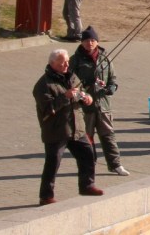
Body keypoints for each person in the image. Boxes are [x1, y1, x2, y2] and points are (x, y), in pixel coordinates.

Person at [34, 48, 102, 205]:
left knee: (87, 154)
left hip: (76, 127)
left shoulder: (72, 76)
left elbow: (80, 92)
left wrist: (87, 97)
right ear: (52, 64)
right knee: (53, 163)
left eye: (67, 62)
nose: (66, 65)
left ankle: (87, 185)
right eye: (62, 63)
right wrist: (66, 96)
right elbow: (48, 108)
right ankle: (46, 196)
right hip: (56, 130)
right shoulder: (43, 84)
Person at [71, 27, 128, 177]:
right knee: (86, 139)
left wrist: (110, 88)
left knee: (108, 136)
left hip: (104, 106)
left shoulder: (105, 58)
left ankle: (115, 165)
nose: (90, 43)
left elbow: (113, 79)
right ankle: (89, 166)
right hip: (85, 107)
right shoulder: (75, 60)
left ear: (97, 42)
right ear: (82, 42)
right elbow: (70, 82)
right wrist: (85, 85)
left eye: (93, 40)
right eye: (86, 40)